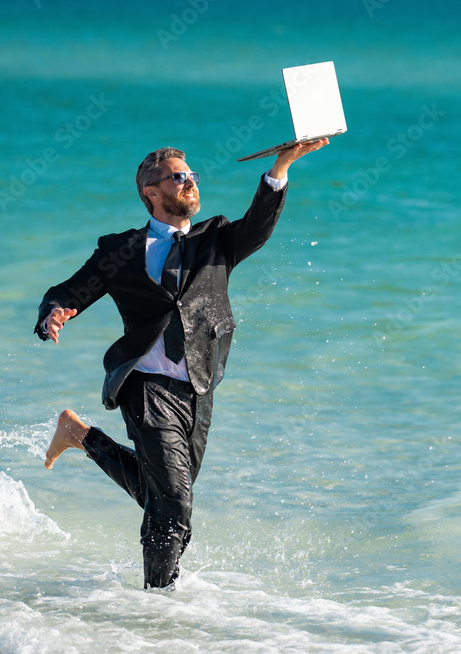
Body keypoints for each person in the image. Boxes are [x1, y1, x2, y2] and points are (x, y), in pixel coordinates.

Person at [35, 140, 328, 589]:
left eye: (191, 175)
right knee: (175, 506)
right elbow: (70, 290)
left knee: (164, 495)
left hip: (198, 388)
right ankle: (158, 603)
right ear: (151, 192)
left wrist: (281, 167)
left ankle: (81, 436)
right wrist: (55, 311)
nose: (189, 180)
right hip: (146, 387)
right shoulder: (122, 250)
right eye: (178, 176)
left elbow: (258, 228)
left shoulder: (216, 239)